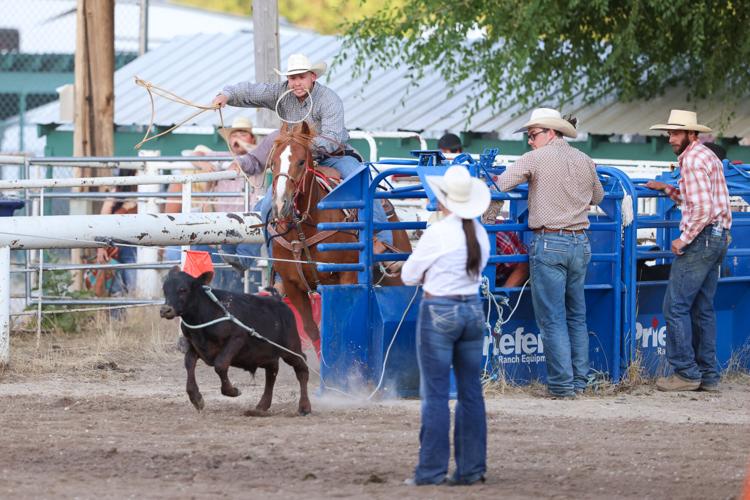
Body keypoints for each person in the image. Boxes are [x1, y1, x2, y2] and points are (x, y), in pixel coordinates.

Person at [212, 53, 392, 245]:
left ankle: (383, 241)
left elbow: (332, 138)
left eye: (301, 77)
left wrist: (300, 146)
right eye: (292, 78)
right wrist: (226, 95)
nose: (297, 83)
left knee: (361, 181)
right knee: (267, 206)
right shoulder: (281, 93)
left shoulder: (329, 99)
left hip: (333, 157)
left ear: (312, 77)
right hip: (296, 160)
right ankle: (276, 263)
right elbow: (251, 91)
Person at [496, 108, 604, 398]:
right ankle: (580, 381)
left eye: (533, 135)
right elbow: (598, 196)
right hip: (580, 241)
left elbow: (502, 184)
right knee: (576, 315)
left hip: (550, 240)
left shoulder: (535, 159)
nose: (530, 141)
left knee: (553, 318)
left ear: (550, 132)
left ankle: (561, 384)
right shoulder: (584, 159)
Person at [401, 165, 490, 486]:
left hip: (439, 309)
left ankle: (431, 470)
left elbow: (408, 275)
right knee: (470, 392)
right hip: (472, 309)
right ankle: (471, 468)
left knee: (436, 394)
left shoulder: (438, 232)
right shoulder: (479, 233)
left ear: (445, 199)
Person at [645, 110, 732, 392]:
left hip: (702, 239)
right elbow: (700, 199)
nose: (671, 139)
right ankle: (707, 373)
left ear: (691, 135)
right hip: (718, 236)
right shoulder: (706, 156)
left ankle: (685, 372)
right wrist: (669, 189)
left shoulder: (692, 161)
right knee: (702, 308)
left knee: (675, 305)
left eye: (676, 133)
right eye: (670, 133)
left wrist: (683, 239)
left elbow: (702, 209)